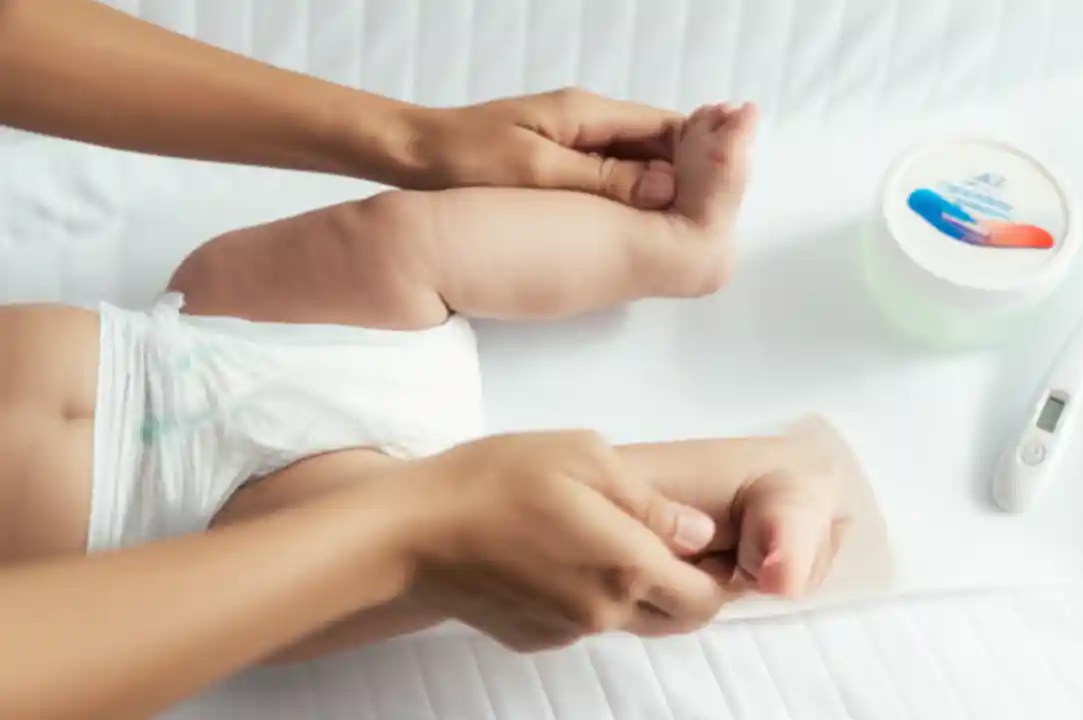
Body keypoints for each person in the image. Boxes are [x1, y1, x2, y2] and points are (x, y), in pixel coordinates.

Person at [0, 1, 853, 717]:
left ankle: (670, 246)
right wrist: (410, 535)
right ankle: (746, 494)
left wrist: (414, 139)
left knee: (395, 241)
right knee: (532, 518)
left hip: (178, 342)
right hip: (188, 540)